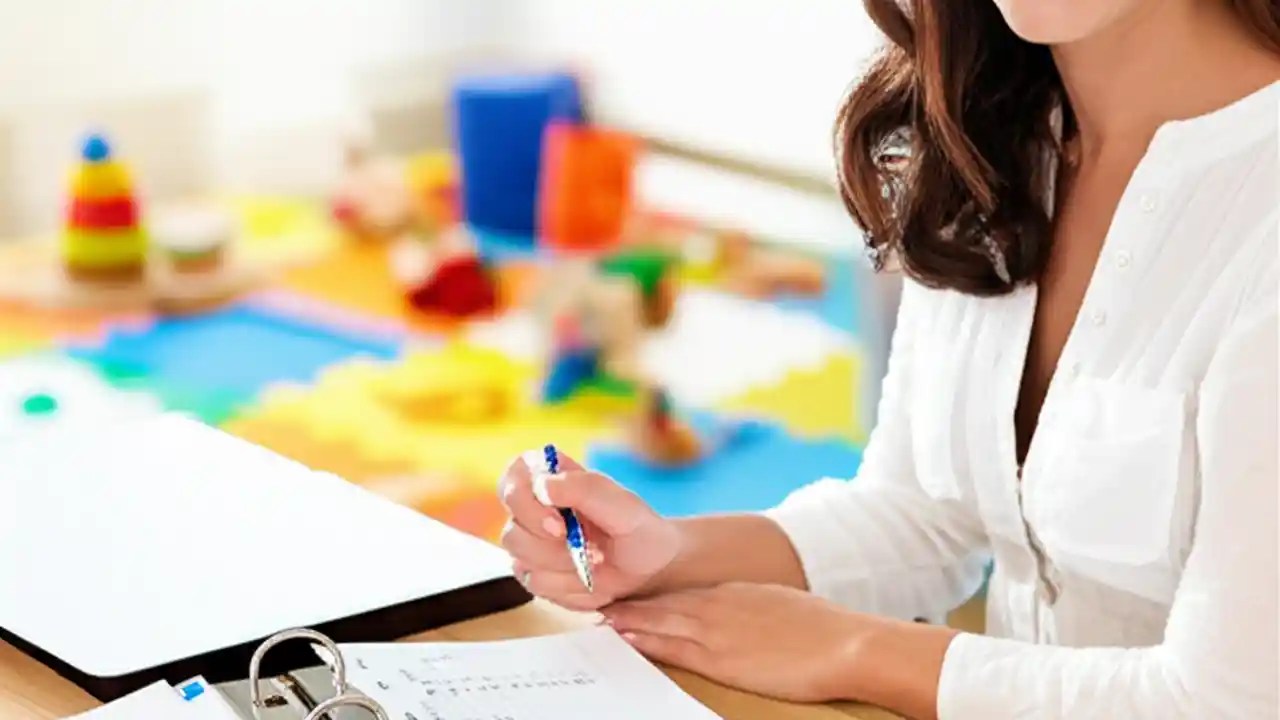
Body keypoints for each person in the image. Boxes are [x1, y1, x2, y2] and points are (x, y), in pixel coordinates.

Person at [498, 1, 1279, 716]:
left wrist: (853, 649)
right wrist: (672, 555)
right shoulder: (989, 140)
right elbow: (924, 512)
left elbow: (1226, 701)